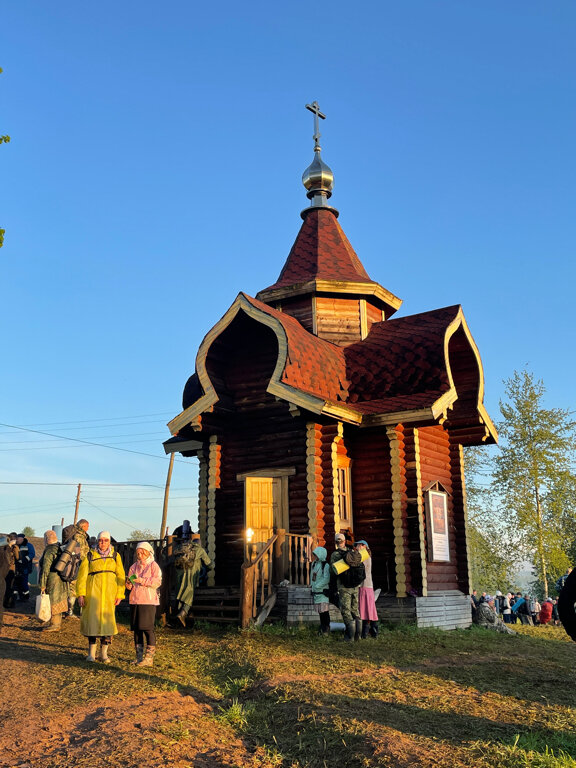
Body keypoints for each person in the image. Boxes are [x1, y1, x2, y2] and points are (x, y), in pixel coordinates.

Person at [76, 531, 125, 663]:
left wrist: (120, 593)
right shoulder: (90, 555)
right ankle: (91, 654)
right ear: (97, 541)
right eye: (100, 540)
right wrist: (81, 594)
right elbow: (82, 577)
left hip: (109, 594)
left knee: (107, 622)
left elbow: (121, 575)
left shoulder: (115, 556)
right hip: (93, 594)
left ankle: (104, 654)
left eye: (105, 540)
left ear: (109, 541)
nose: (102, 543)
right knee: (92, 622)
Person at [126, 542, 162, 666]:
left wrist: (141, 580)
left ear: (148, 552)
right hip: (135, 600)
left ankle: (149, 658)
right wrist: (129, 585)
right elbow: (130, 581)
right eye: (138, 553)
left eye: (142, 553)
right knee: (137, 629)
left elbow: (157, 582)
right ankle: (139, 656)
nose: (140, 555)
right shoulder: (133, 567)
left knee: (147, 629)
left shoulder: (153, 566)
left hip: (148, 601)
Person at [330, 532, 363, 642]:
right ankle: (358, 635)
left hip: (344, 586)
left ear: (335, 542)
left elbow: (333, 572)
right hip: (355, 585)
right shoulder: (352, 553)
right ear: (344, 542)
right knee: (355, 609)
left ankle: (349, 636)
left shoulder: (335, 555)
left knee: (346, 610)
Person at [173, 532, 211, 627]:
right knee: (189, 593)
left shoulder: (183, 548)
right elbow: (209, 563)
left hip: (179, 573)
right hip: (190, 574)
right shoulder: (200, 550)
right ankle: (182, 613)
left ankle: (178, 615)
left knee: (180, 592)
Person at [38, 530, 69, 632]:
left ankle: (54, 624)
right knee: (59, 600)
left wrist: (42, 584)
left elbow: (45, 568)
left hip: (52, 579)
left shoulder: (49, 550)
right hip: (62, 578)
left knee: (53, 600)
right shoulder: (60, 547)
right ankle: (57, 623)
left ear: (47, 539)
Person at [61, 519, 90, 617]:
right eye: (87, 526)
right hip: (78, 565)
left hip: (72, 564)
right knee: (73, 587)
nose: (88, 528)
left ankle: (67, 610)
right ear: (83, 526)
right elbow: (81, 552)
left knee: (70, 587)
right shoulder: (80, 537)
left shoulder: (74, 535)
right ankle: (69, 611)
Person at [354, 540, 378, 639]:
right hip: (365, 585)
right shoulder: (365, 555)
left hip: (365, 585)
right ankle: (370, 631)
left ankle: (368, 631)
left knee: (366, 609)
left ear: (364, 546)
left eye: (359, 545)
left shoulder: (364, 555)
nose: (357, 547)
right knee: (367, 609)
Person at [310, 546, 331, 636]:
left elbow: (327, 578)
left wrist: (318, 586)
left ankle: (326, 629)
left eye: (317, 555)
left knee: (324, 612)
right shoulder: (314, 564)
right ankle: (322, 628)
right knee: (320, 611)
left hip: (322, 592)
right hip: (316, 592)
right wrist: (312, 586)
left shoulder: (325, 565)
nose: (315, 556)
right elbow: (312, 577)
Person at [14, 533, 34, 602]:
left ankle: (26, 597)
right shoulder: (16, 546)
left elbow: (32, 554)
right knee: (16, 583)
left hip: (25, 567)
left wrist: (24, 560)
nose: (17, 540)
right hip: (17, 568)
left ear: (22, 539)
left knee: (24, 583)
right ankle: (18, 597)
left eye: (18, 539)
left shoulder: (29, 545)